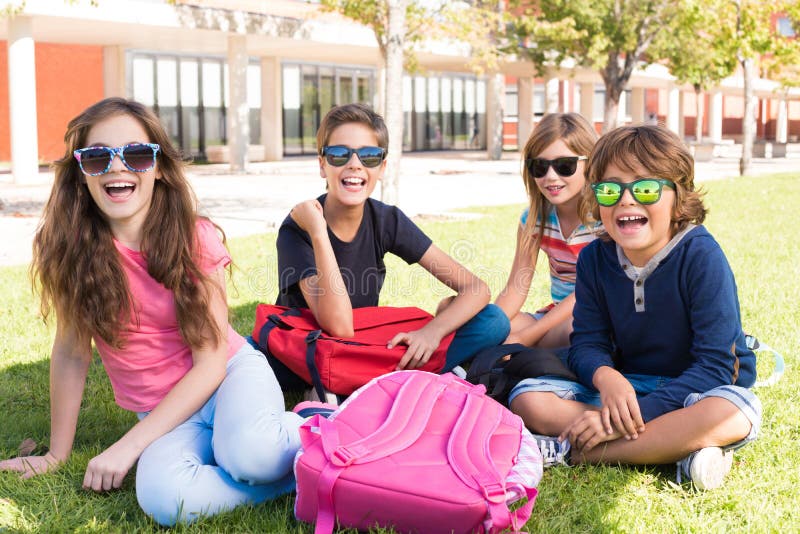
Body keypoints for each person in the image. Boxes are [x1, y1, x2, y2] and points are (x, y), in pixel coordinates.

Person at [0, 98, 303, 525]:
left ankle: (310, 428)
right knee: (164, 497)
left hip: (229, 377)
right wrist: (56, 453)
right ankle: (293, 474)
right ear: (81, 172)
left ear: (158, 168)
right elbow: (71, 354)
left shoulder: (192, 238)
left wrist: (127, 447)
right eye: (98, 156)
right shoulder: (70, 251)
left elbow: (212, 360)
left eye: (137, 154)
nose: (117, 168)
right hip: (163, 412)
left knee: (252, 455)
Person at [508, 125, 761, 490]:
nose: (626, 200)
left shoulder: (701, 255)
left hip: (697, 388)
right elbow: (587, 345)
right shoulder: (595, 258)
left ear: (678, 196)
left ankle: (576, 452)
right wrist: (605, 377)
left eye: (644, 188)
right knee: (529, 399)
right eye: (610, 190)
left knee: (736, 412)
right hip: (627, 385)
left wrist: (619, 419)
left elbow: (716, 367)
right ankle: (677, 449)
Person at [274, 103, 509, 383]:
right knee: (256, 358)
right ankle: (399, 375)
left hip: (369, 346)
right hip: (314, 347)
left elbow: (477, 288)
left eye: (369, 156)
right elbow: (339, 326)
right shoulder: (299, 227)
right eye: (339, 154)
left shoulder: (385, 219)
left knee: (493, 321)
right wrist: (318, 232)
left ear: (382, 167)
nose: (354, 164)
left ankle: (377, 377)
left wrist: (432, 332)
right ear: (322, 164)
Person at [495, 113, 599, 348]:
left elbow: (585, 294)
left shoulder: (606, 220)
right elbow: (516, 288)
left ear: (591, 163)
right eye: (540, 166)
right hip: (552, 319)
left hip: (593, 320)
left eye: (565, 165)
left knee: (575, 330)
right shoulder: (534, 220)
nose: (551, 176)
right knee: (457, 311)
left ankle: (524, 348)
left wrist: (526, 336)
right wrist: (487, 325)